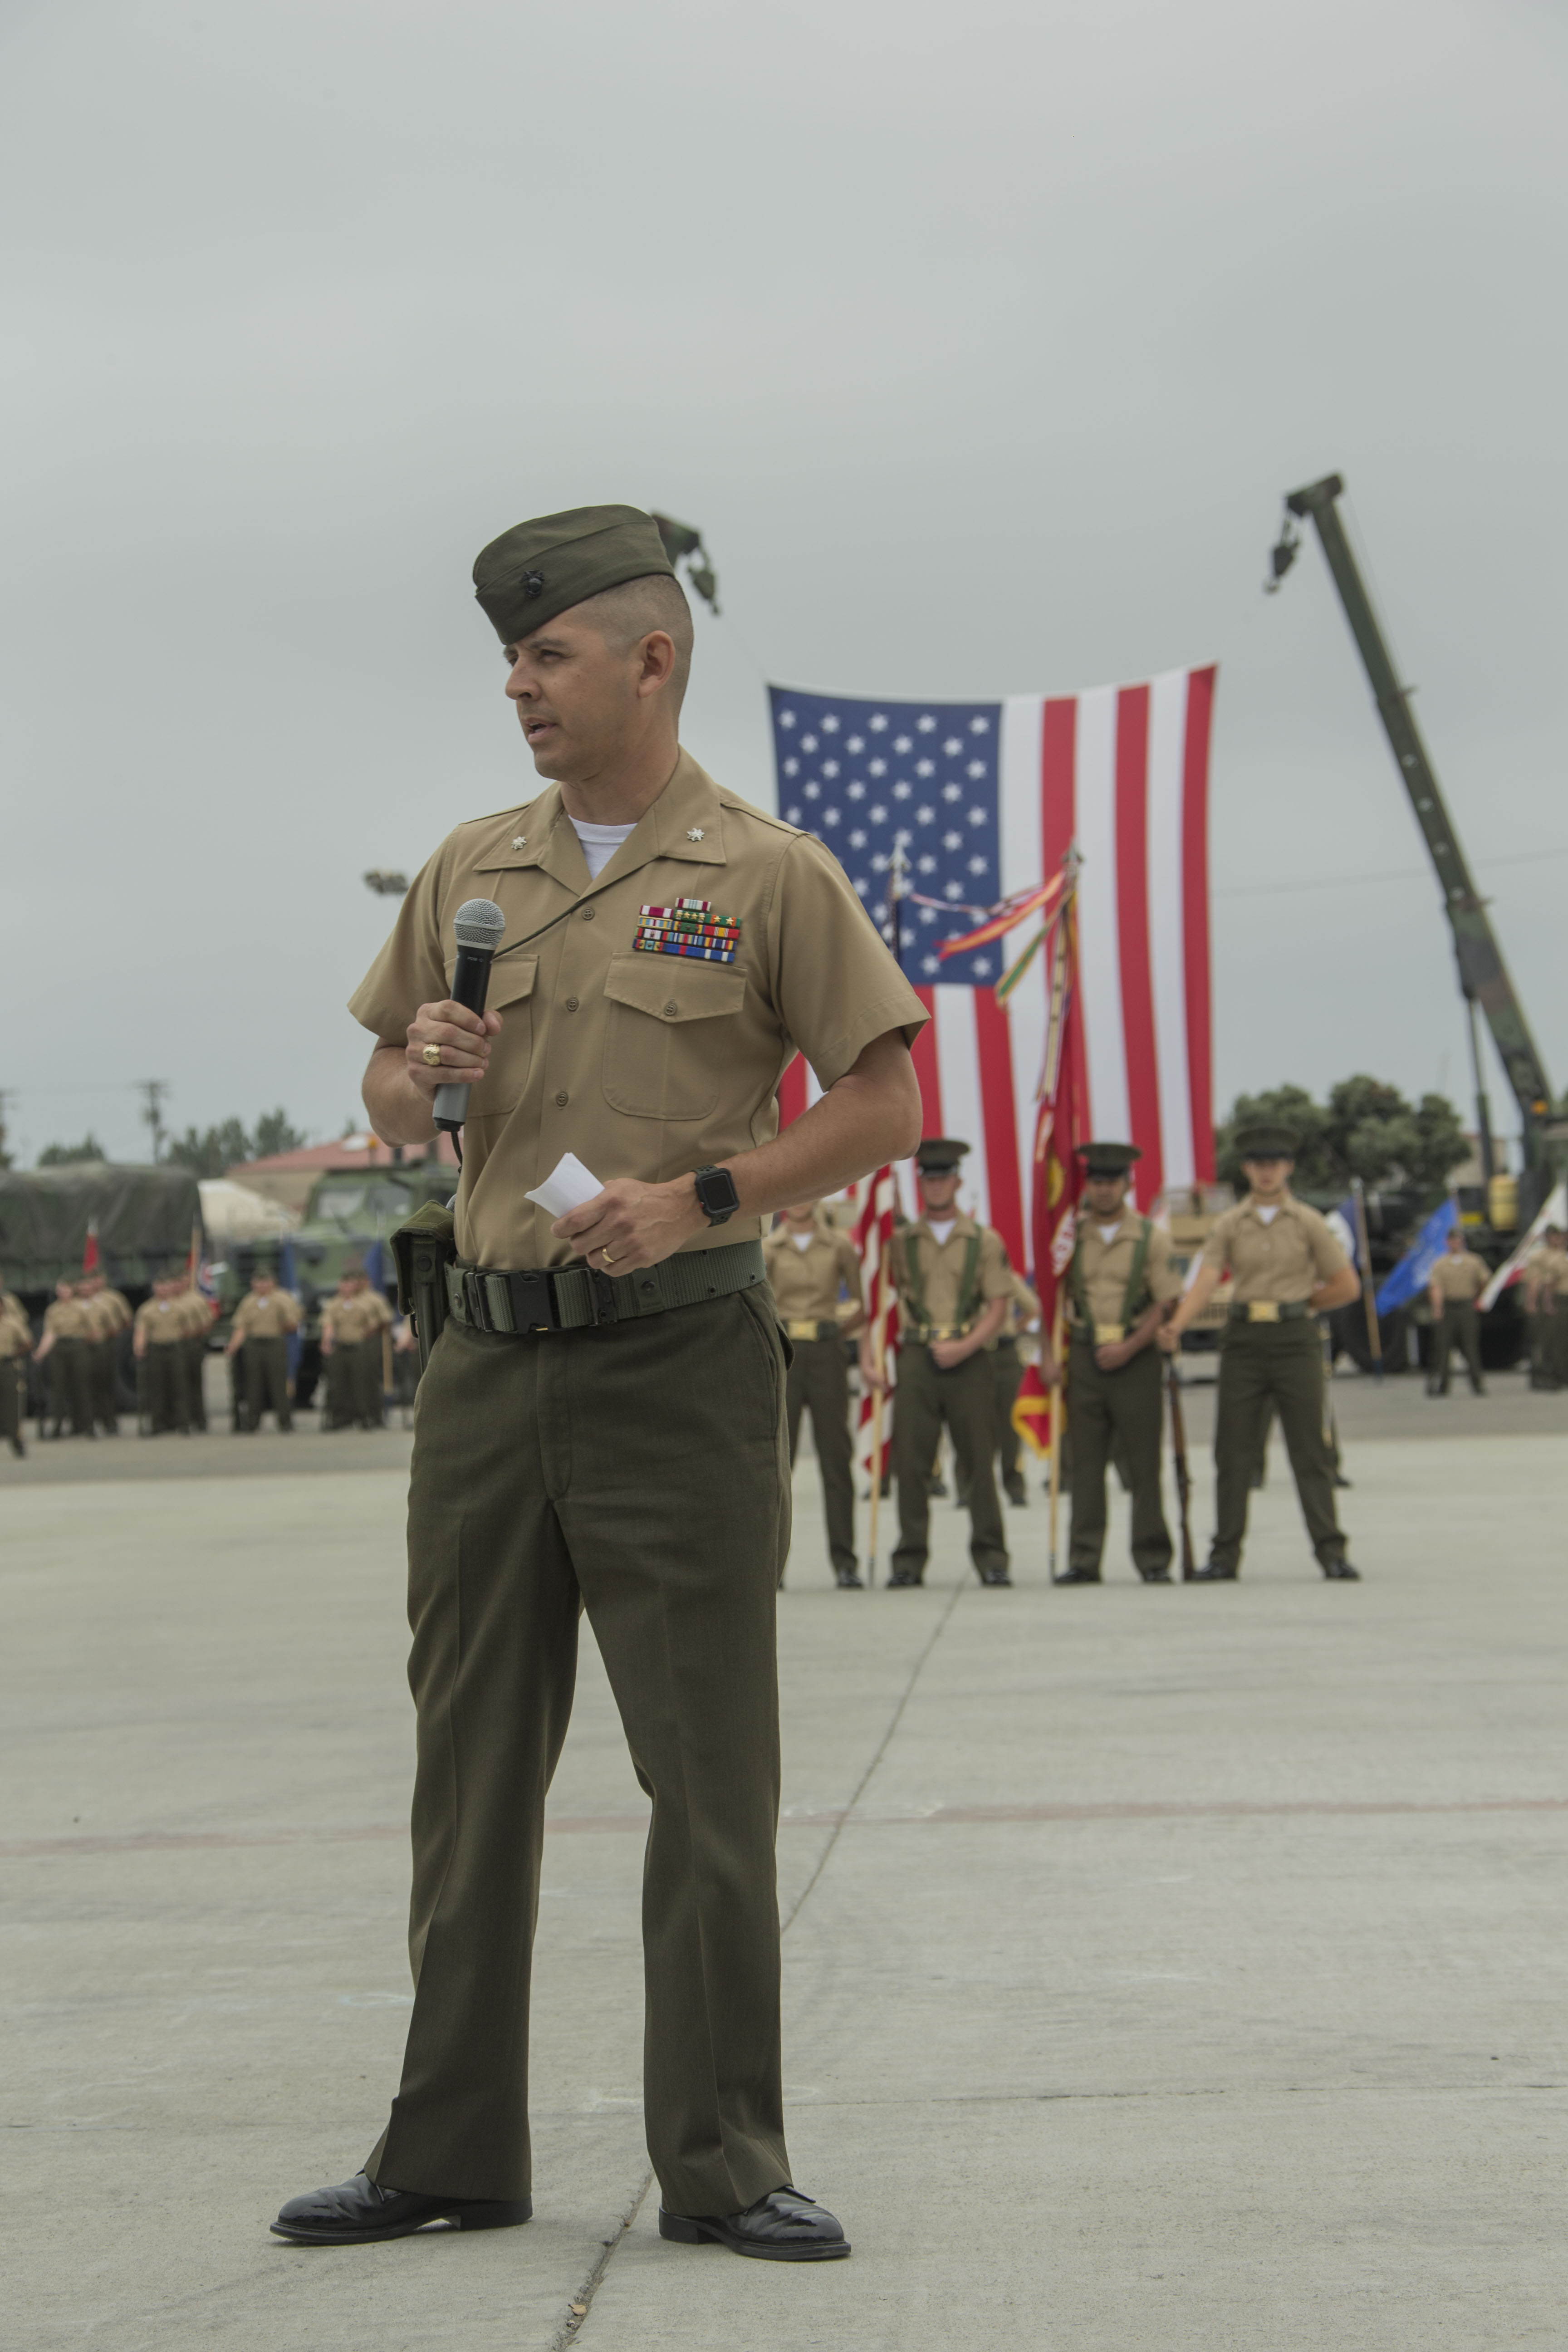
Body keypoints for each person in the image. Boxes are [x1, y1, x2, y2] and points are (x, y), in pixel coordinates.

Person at [272, 503, 923, 2260]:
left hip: (678, 1368)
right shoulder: (473, 863)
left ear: (651, 656)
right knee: (468, 1766)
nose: (517, 685)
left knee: (708, 1774)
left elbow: (884, 1103)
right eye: (508, 658)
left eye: (547, 654)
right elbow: (394, 1098)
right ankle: (449, 2150)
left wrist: (709, 1192)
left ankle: (721, 2158)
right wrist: (421, 1068)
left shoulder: (765, 874)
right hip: (485, 1369)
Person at [1159, 1123, 1362, 1580]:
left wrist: (1303, 1304)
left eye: (1274, 1164)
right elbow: (1208, 1278)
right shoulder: (1230, 1224)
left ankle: (1331, 1551)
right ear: (1247, 1170)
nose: (1266, 1173)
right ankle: (1224, 1555)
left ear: (1288, 1168)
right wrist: (1178, 1325)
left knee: (1310, 1450)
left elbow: (1346, 1285)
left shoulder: (1309, 1221)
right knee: (1233, 1452)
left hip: (1295, 1341)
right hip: (1245, 1341)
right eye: (1257, 1165)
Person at [863, 1138, 1015, 1588]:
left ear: (958, 1181)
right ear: (920, 1183)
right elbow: (880, 1301)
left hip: (967, 1359)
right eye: (929, 1179)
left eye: (944, 1178)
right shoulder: (901, 1243)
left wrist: (966, 1347)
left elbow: (999, 1306)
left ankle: (992, 1557)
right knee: (911, 1463)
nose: (936, 1186)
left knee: (977, 1461)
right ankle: (909, 1560)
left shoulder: (984, 1241)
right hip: (916, 1359)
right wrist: (873, 1357)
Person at [1055, 1142, 1181, 1585]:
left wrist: (1130, 1346)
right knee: (1085, 1465)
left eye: (1112, 1182)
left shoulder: (1150, 1237)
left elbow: (1165, 1303)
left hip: (1136, 1359)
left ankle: (1152, 1558)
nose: (1103, 1191)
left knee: (1144, 1463)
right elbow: (1058, 1299)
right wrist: (1053, 1356)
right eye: (1096, 1182)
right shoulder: (1070, 1238)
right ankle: (1084, 1559)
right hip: (1086, 1357)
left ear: (1128, 1185)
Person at [762, 1203, 865, 1587]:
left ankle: (845, 1562)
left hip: (827, 1352)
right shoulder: (770, 1247)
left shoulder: (840, 1247)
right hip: (786, 1353)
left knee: (836, 1459)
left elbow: (860, 1303)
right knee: (777, 1462)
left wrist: (836, 1328)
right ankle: (773, 1568)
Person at [320, 1262, 394, 1430]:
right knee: (340, 1383)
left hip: (367, 1343)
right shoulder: (335, 1303)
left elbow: (381, 1322)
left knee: (366, 1381)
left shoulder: (371, 1300)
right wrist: (326, 1341)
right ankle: (343, 1416)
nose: (352, 1285)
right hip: (343, 1346)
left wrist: (365, 1335)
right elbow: (328, 1325)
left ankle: (369, 1415)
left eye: (356, 1281)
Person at [226, 1266, 301, 1431]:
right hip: (254, 1345)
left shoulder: (283, 1299)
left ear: (273, 1283)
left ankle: (285, 1421)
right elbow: (241, 1326)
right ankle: (252, 1421)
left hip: (274, 1343)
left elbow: (293, 1323)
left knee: (278, 1384)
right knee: (254, 1385)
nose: (262, 1286)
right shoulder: (249, 1301)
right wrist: (233, 1346)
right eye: (258, 1282)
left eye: (265, 1282)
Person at [1426, 1222, 1489, 1397]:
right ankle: (1442, 1386)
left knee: (1471, 1348)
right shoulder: (1441, 1264)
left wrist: (1477, 1299)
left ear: (1462, 1241)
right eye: (1452, 1240)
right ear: (1447, 1242)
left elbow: (1484, 1281)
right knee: (1443, 1348)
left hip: (1466, 1307)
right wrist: (1437, 1308)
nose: (1455, 1243)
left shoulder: (1473, 1261)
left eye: (1458, 1240)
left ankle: (1477, 1384)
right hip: (1449, 1307)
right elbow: (1436, 1288)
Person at [33, 1279, 95, 1438]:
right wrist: (41, 1352)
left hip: (78, 1348)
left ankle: (87, 1425)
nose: (63, 1294)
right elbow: (50, 1333)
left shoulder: (82, 1308)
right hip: (60, 1349)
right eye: (60, 1291)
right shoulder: (53, 1311)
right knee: (58, 1389)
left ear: (72, 1291)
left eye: (66, 1290)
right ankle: (58, 1426)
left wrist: (86, 1347)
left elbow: (92, 1331)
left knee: (81, 1388)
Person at [133, 1274, 193, 1434]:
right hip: (156, 1349)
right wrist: (139, 1346)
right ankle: (158, 1424)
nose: (163, 1291)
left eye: (165, 1287)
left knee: (179, 1386)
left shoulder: (180, 1307)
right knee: (157, 1387)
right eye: (159, 1287)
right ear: (154, 1289)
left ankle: (183, 1423)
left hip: (175, 1348)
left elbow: (188, 1329)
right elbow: (142, 1330)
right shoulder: (147, 1309)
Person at [1524, 1225, 1568, 1391]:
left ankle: (1561, 1374)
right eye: (1552, 1236)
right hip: (1547, 1301)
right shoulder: (1540, 1257)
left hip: (1560, 1301)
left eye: (1558, 1236)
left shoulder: (1562, 1255)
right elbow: (1534, 1281)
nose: (1556, 1239)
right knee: (1543, 1341)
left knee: (1560, 1341)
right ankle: (1540, 1376)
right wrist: (1532, 1303)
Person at [0, 1285, 32, 1458]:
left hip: (7, 1366)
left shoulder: (13, 1324)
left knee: (12, 1406)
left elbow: (27, 1343)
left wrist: (13, 1354)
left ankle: (16, 1441)